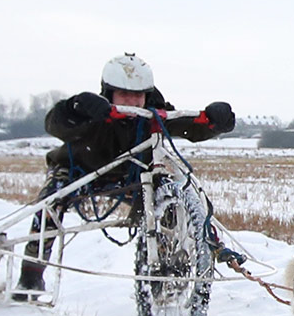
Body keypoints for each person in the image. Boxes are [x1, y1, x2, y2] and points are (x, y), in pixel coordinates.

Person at [16, 53, 237, 297]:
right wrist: (74, 108)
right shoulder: (92, 111)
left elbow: (189, 126)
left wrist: (216, 122)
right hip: (78, 171)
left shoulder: (153, 116)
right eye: (123, 94)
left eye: (138, 95)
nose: (131, 101)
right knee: (50, 203)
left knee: (167, 207)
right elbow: (55, 123)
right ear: (108, 93)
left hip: (130, 178)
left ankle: (162, 275)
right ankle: (31, 274)